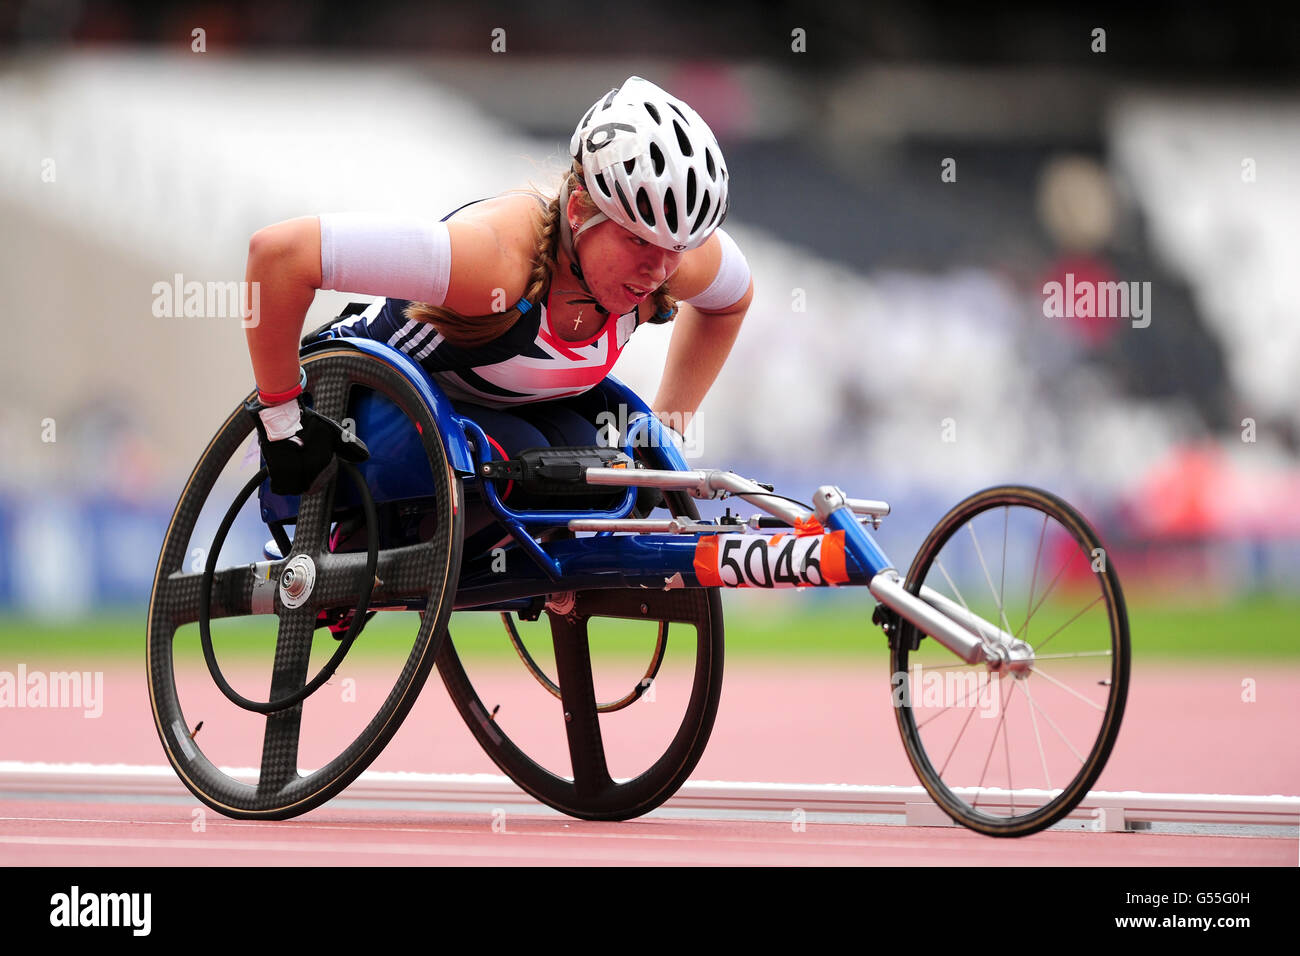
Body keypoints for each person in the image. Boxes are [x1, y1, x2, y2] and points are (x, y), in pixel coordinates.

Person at [242, 76, 753, 535]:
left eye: (676, 249)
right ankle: (354, 546)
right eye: (639, 242)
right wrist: (282, 420)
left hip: (500, 412)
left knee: (615, 476)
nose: (659, 270)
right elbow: (280, 255)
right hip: (363, 408)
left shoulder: (672, 255)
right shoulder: (493, 260)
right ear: (578, 210)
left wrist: (668, 426)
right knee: (526, 464)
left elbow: (730, 303)